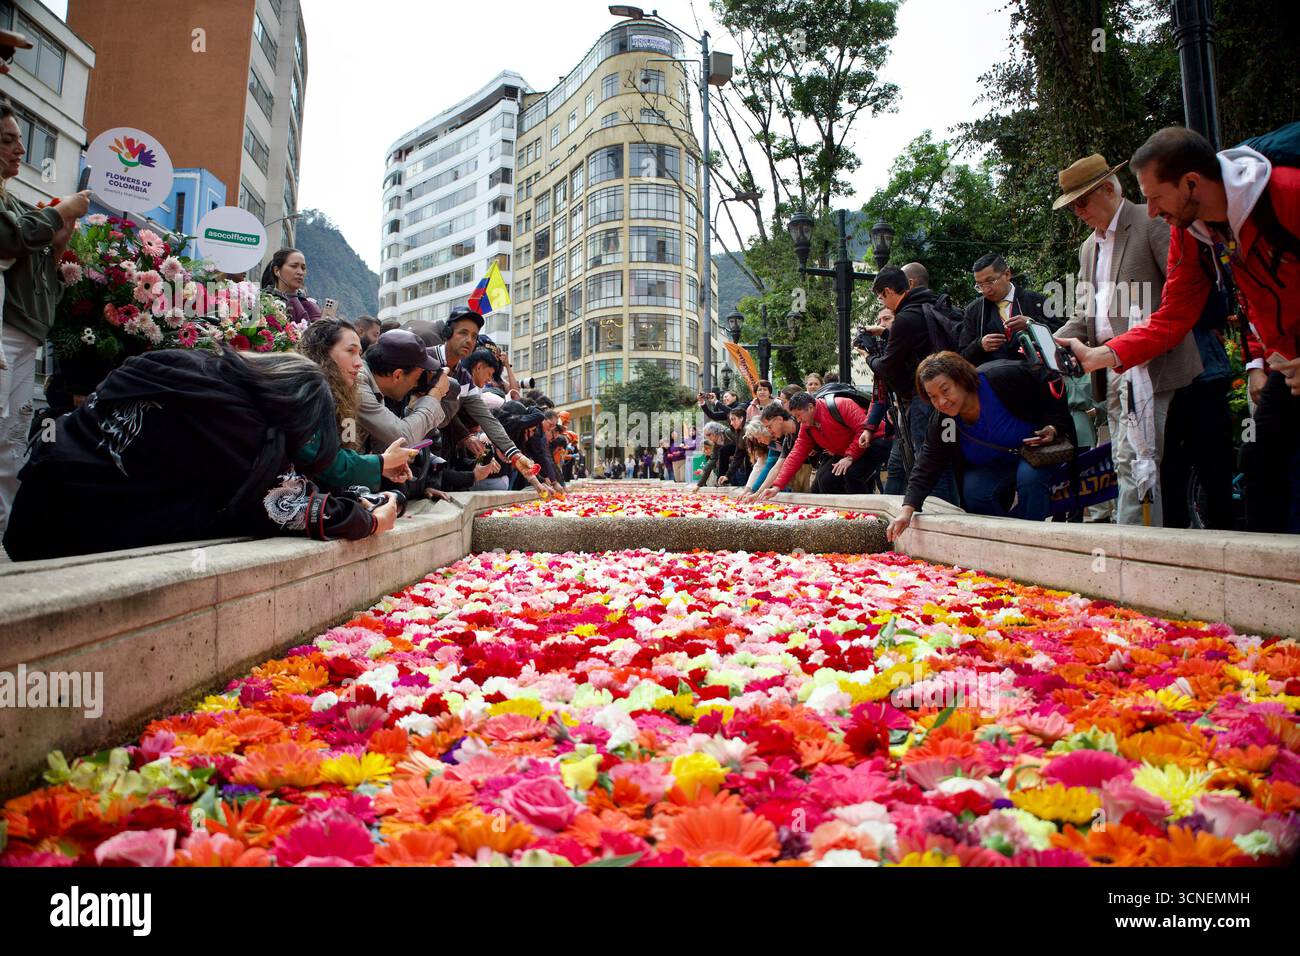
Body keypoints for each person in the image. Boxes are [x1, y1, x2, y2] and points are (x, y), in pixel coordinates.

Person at [1061, 126, 1300, 533]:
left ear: (1191, 183)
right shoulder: (1189, 231)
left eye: (1155, 197)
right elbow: (1172, 316)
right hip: (1285, 366)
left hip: (1195, 376)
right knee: (1260, 469)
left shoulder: (1287, 193)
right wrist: (1100, 356)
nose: (1151, 210)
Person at [4, 349, 401, 560]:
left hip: (36, 503)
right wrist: (370, 520)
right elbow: (282, 505)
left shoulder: (179, 363)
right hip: (59, 536)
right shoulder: (237, 421)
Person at [1051, 152, 1203, 526]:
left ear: (1107, 188)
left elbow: (1180, 299)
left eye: (1081, 201)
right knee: (1125, 461)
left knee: (1140, 461)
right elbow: (1086, 313)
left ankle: (1134, 551)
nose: (1078, 212)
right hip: (1110, 368)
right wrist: (1053, 339)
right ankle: (1137, 547)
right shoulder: (1089, 246)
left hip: (1154, 366)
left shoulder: (1151, 222)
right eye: (1072, 207)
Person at [0, 101, 92, 535]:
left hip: (24, 336)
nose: (20, 150)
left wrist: (57, 245)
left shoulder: (15, 204)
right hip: (4, 334)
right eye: (7, 141)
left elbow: (43, 281)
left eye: (20, 140)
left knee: (12, 438)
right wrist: (60, 212)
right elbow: (14, 238)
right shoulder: (17, 215)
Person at [886, 352, 1076, 541]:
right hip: (994, 465)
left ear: (962, 380)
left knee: (1029, 479)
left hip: (1035, 454)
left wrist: (1054, 426)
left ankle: (1031, 539)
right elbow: (929, 461)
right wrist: (907, 509)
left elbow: (1050, 379)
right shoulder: (947, 422)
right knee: (975, 490)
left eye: (945, 390)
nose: (941, 402)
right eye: (933, 396)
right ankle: (998, 539)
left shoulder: (1001, 378)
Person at [868, 265, 960, 504]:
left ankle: (941, 514)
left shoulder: (906, 318)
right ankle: (952, 510)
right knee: (944, 454)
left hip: (923, 398)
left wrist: (868, 356)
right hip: (950, 393)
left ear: (889, 291)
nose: (884, 304)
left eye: (881, 297)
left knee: (929, 457)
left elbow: (888, 366)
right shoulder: (931, 304)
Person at [296, 318, 414, 491]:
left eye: (359, 353)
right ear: (322, 353)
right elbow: (324, 463)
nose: (359, 362)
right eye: (351, 351)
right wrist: (381, 462)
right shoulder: (304, 395)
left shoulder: (345, 395)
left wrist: (381, 467)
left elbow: (347, 451)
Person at [757, 391, 875, 496]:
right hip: (844, 452)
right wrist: (777, 486)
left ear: (810, 407)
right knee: (824, 479)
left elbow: (863, 429)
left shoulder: (840, 404)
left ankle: (865, 513)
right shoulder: (806, 426)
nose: (798, 420)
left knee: (851, 474)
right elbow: (796, 455)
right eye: (795, 417)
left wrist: (850, 456)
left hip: (872, 442)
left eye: (799, 415)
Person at [358, 328, 450, 449]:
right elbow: (403, 437)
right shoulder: (358, 383)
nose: (416, 385)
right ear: (397, 375)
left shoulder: (376, 386)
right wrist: (435, 394)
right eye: (417, 377)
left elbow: (385, 444)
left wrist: (413, 408)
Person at [959, 253, 1053, 366]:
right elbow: (962, 356)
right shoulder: (974, 311)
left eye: (990, 282)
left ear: (1007, 274)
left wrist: (1032, 325)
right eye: (980, 285)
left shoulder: (1037, 300)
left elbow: (1063, 334)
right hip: (994, 377)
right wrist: (979, 346)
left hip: (1037, 374)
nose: (986, 290)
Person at [261, 248, 321, 325]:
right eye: (294, 266)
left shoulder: (310, 306)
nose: (300, 272)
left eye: (303, 268)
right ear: (276, 270)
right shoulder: (262, 302)